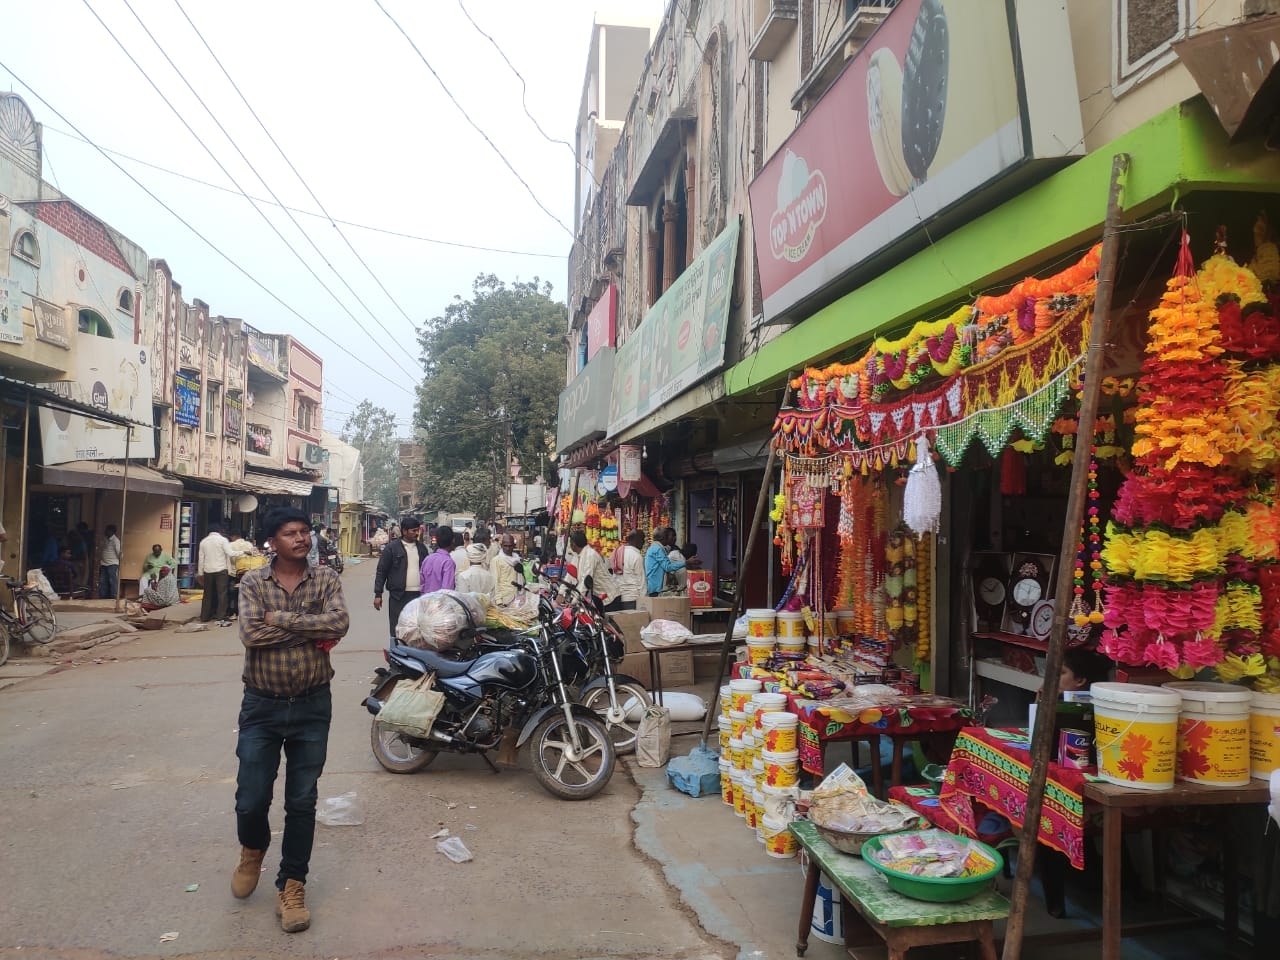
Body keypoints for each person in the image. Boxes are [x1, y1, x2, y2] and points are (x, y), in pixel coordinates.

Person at [230, 506, 349, 933]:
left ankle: (292, 885)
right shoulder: (252, 582)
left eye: (304, 531)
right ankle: (253, 849)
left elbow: (339, 623)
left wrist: (279, 619)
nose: (300, 538)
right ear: (272, 541)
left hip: (313, 706)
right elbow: (250, 633)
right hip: (262, 706)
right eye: (289, 533)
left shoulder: (326, 578)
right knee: (251, 797)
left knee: (301, 800)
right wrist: (311, 630)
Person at [373, 516, 427, 637]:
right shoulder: (391, 548)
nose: (416, 533)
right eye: (413, 530)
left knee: (416, 629)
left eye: (418, 530)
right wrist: (378, 594)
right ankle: (396, 648)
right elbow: (381, 571)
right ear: (404, 531)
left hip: (418, 596)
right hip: (398, 596)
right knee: (397, 628)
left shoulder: (422, 548)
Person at [566, 530, 617, 606]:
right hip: (598, 596)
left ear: (573, 544)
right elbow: (570, 576)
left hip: (609, 597)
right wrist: (561, 593)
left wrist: (574, 601)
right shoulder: (578, 556)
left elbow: (585, 580)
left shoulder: (590, 555)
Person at [197, 523, 235, 623]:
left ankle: (204, 616)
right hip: (221, 570)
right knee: (222, 593)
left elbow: (201, 558)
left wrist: (200, 573)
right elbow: (230, 553)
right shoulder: (223, 540)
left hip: (208, 570)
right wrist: (243, 552)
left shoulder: (203, 541)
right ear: (219, 531)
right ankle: (220, 616)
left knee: (207, 594)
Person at [644, 527, 686, 597]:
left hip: (654, 587)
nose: (670, 538)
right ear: (663, 538)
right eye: (668, 535)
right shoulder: (657, 549)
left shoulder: (655, 547)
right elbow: (668, 567)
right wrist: (685, 563)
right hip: (656, 589)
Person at [614, 529, 647, 610]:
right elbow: (641, 582)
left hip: (619, 597)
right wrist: (644, 602)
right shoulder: (636, 556)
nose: (644, 542)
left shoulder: (618, 552)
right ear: (637, 540)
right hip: (632, 599)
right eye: (642, 539)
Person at [420, 524, 457, 592]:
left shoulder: (427, 559)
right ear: (453, 541)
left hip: (426, 597)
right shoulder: (448, 562)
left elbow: (422, 584)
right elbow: (447, 590)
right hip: (440, 598)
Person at [489, 534, 523, 606]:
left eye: (510, 546)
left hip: (517, 598)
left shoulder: (517, 560)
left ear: (514, 546)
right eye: (505, 546)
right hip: (504, 599)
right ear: (501, 546)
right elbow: (495, 581)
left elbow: (521, 578)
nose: (508, 548)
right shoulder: (496, 560)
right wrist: (499, 601)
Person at [99, 524, 122, 600]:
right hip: (104, 563)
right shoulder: (105, 539)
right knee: (103, 581)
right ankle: (102, 597)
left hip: (112, 564)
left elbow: (119, 553)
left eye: (107, 530)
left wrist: (119, 562)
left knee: (112, 581)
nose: (105, 531)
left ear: (112, 531)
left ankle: (113, 597)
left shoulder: (116, 541)